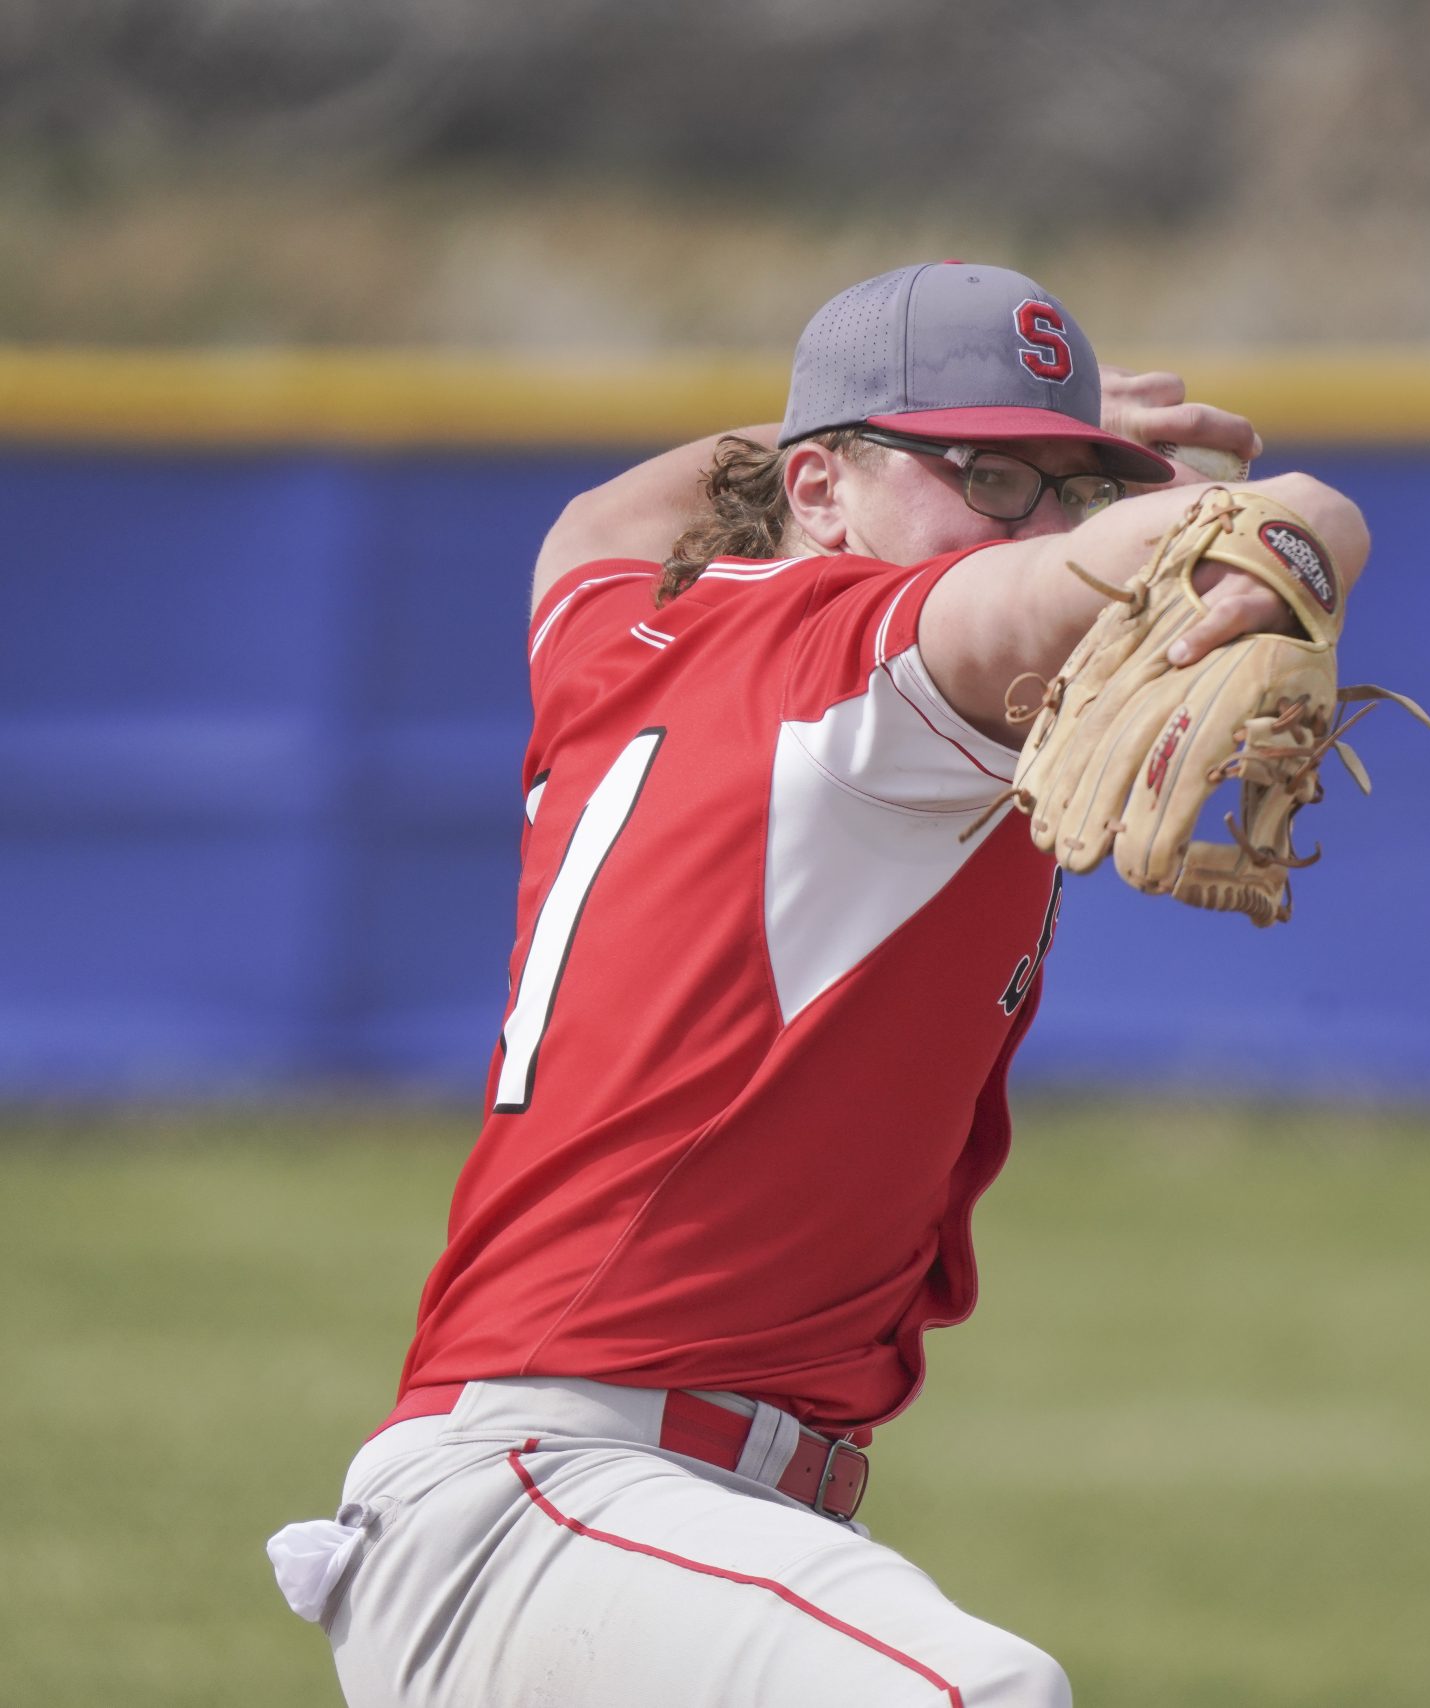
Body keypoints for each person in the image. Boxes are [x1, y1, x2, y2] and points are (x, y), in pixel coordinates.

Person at [264, 261, 1372, 1708]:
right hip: (562, 1503)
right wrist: (1299, 526)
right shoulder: (870, 663)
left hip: (608, 1524)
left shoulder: (613, 621)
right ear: (819, 494)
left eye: (1064, 486)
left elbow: (610, 513)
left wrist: (936, 432)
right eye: (985, 472)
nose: (1032, 523)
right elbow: (1260, 520)